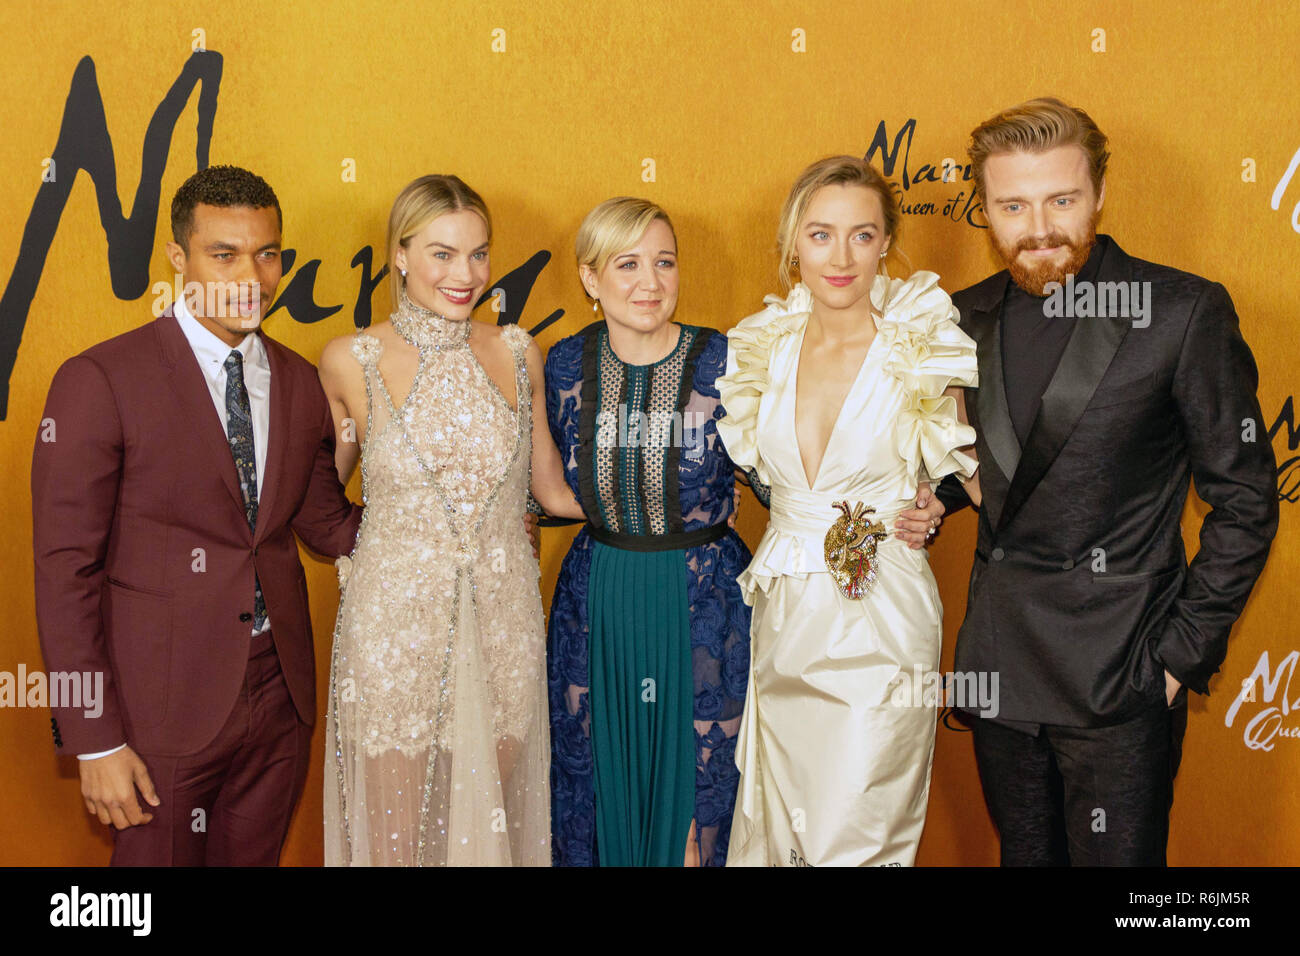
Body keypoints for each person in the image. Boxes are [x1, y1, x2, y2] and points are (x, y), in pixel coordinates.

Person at [935, 97, 1278, 866]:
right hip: (1002, 663)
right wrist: (937, 494)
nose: (1039, 227)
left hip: (1121, 669)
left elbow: (1247, 499)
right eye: (1013, 206)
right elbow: (1006, 470)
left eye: (1061, 200)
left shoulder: (1179, 312)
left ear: (1099, 195)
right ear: (984, 209)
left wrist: (1178, 658)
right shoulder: (958, 319)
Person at [31, 165, 363, 865]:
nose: (252, 276)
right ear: (177, 258)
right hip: (156, 709)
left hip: (280, 699)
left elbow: (327, 525)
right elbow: (65, 572)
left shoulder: (299, 381)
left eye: (267, 254)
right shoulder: (100, 380)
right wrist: (93, 738)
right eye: (224, 254)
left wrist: (458, 524)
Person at [318, 174, 582, 866]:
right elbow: (318, 493)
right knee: (398, 843)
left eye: (478, 254)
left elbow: (552, 490)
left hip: (503, 624)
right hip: (395, 631)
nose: (464, 275)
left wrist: (670, 501)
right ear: (399, 256)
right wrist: (379, 554)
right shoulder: (352, 359)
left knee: (485, 833)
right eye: (442, 254)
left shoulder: (518, 352)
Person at [717, 156, 975, 867]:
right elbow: (760, 473)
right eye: (821, 234)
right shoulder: (762, 348)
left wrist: (934, 502)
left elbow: (963, 468)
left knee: (861, 828)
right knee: (785, 827)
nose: (841, 257)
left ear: (885, 243)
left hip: (882, 620)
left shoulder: (921, 344)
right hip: (787, 616)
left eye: (862, 235)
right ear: (792, 242)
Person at [545, 197, 758, 866]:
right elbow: (550, 489)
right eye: (627, 264)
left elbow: (782, 473)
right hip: (601, 602)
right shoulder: (564, 364)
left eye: (664, 263)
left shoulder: (725, 359)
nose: (650, 282)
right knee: (604, 792)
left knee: (698, 806)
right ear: (590, 277)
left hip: (705, 603)